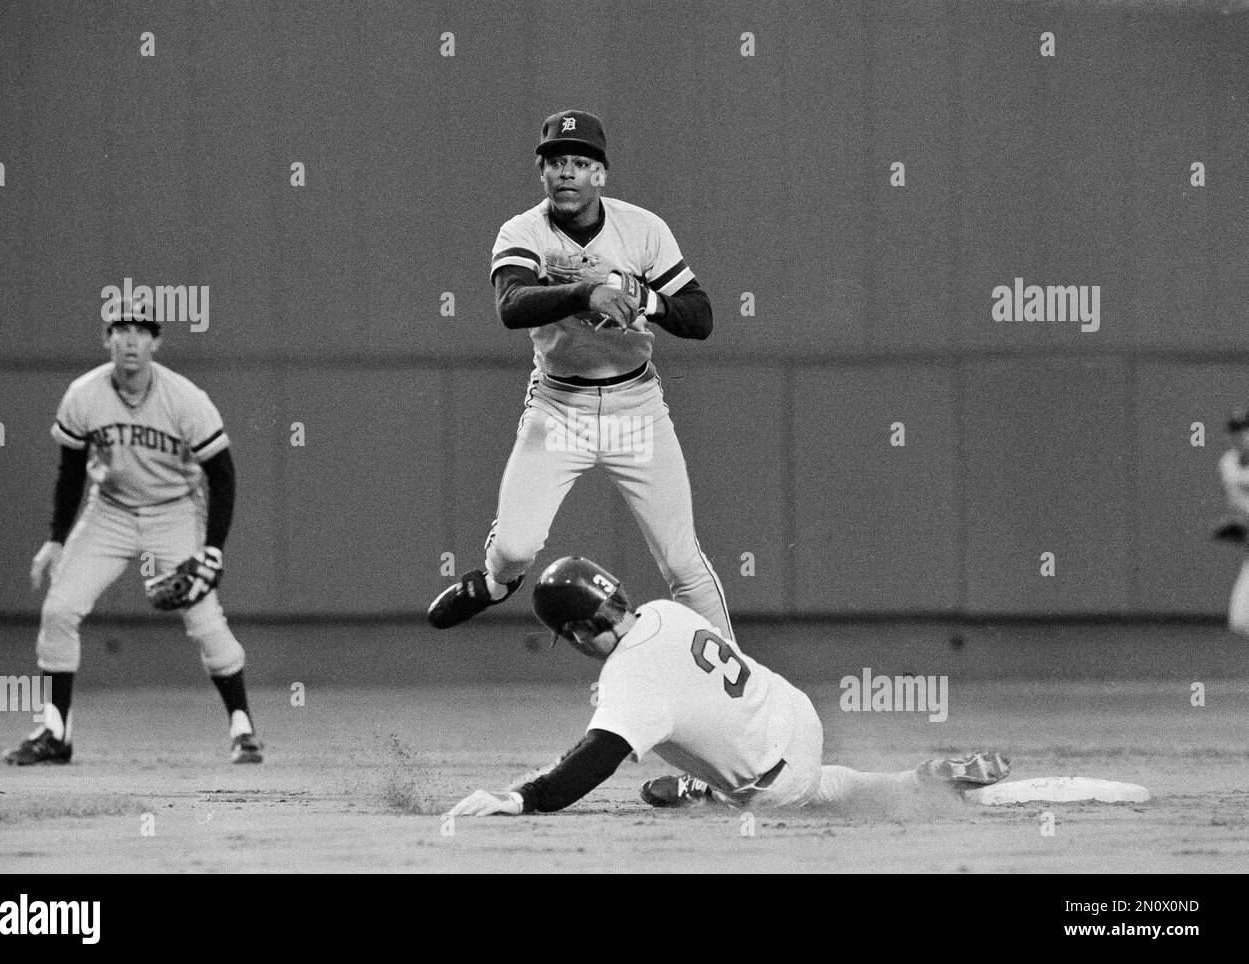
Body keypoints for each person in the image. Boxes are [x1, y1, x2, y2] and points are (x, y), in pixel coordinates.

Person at [427, 110, 731, 640]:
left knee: (683, 563)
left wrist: (647, 298)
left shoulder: (641, 227)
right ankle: (497, 583)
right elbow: (512, 304)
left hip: (634, 406)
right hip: (558, 406)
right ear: (542, 173)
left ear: (601, 175)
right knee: (516, 548)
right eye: (556, 162)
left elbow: (700, 317)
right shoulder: (523, 230)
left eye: (580, 162)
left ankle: (738, 687)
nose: (567, 172)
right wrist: (587, 291)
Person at [446, 557, 1009, 817]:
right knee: (822, 784)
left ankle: (707, 793)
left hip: (770, 784)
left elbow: (594, 760)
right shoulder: (667, 612)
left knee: (763, 794)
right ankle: (918, 782)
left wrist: (524, 798)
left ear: (575, 632)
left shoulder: (628, 679)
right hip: (796, 715)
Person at [5, 310, 262, 765]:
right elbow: (70, 474)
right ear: (107, 340)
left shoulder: (185, 398)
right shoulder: (84, 395)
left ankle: (242, 727)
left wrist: (213, 551)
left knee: (204, 621)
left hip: (175, 510)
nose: (130, 340)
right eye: (121, 330)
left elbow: (222, 475)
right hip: (110, 510)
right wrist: (56, 539)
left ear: (155, 344)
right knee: (60, 609)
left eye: (141, 332)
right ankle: (55, 732)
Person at [1215, 407, 1249, 639]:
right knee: (1239, 620)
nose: (1240, 436)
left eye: (1245, 430)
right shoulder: (1227, 464)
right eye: (1235, 431)